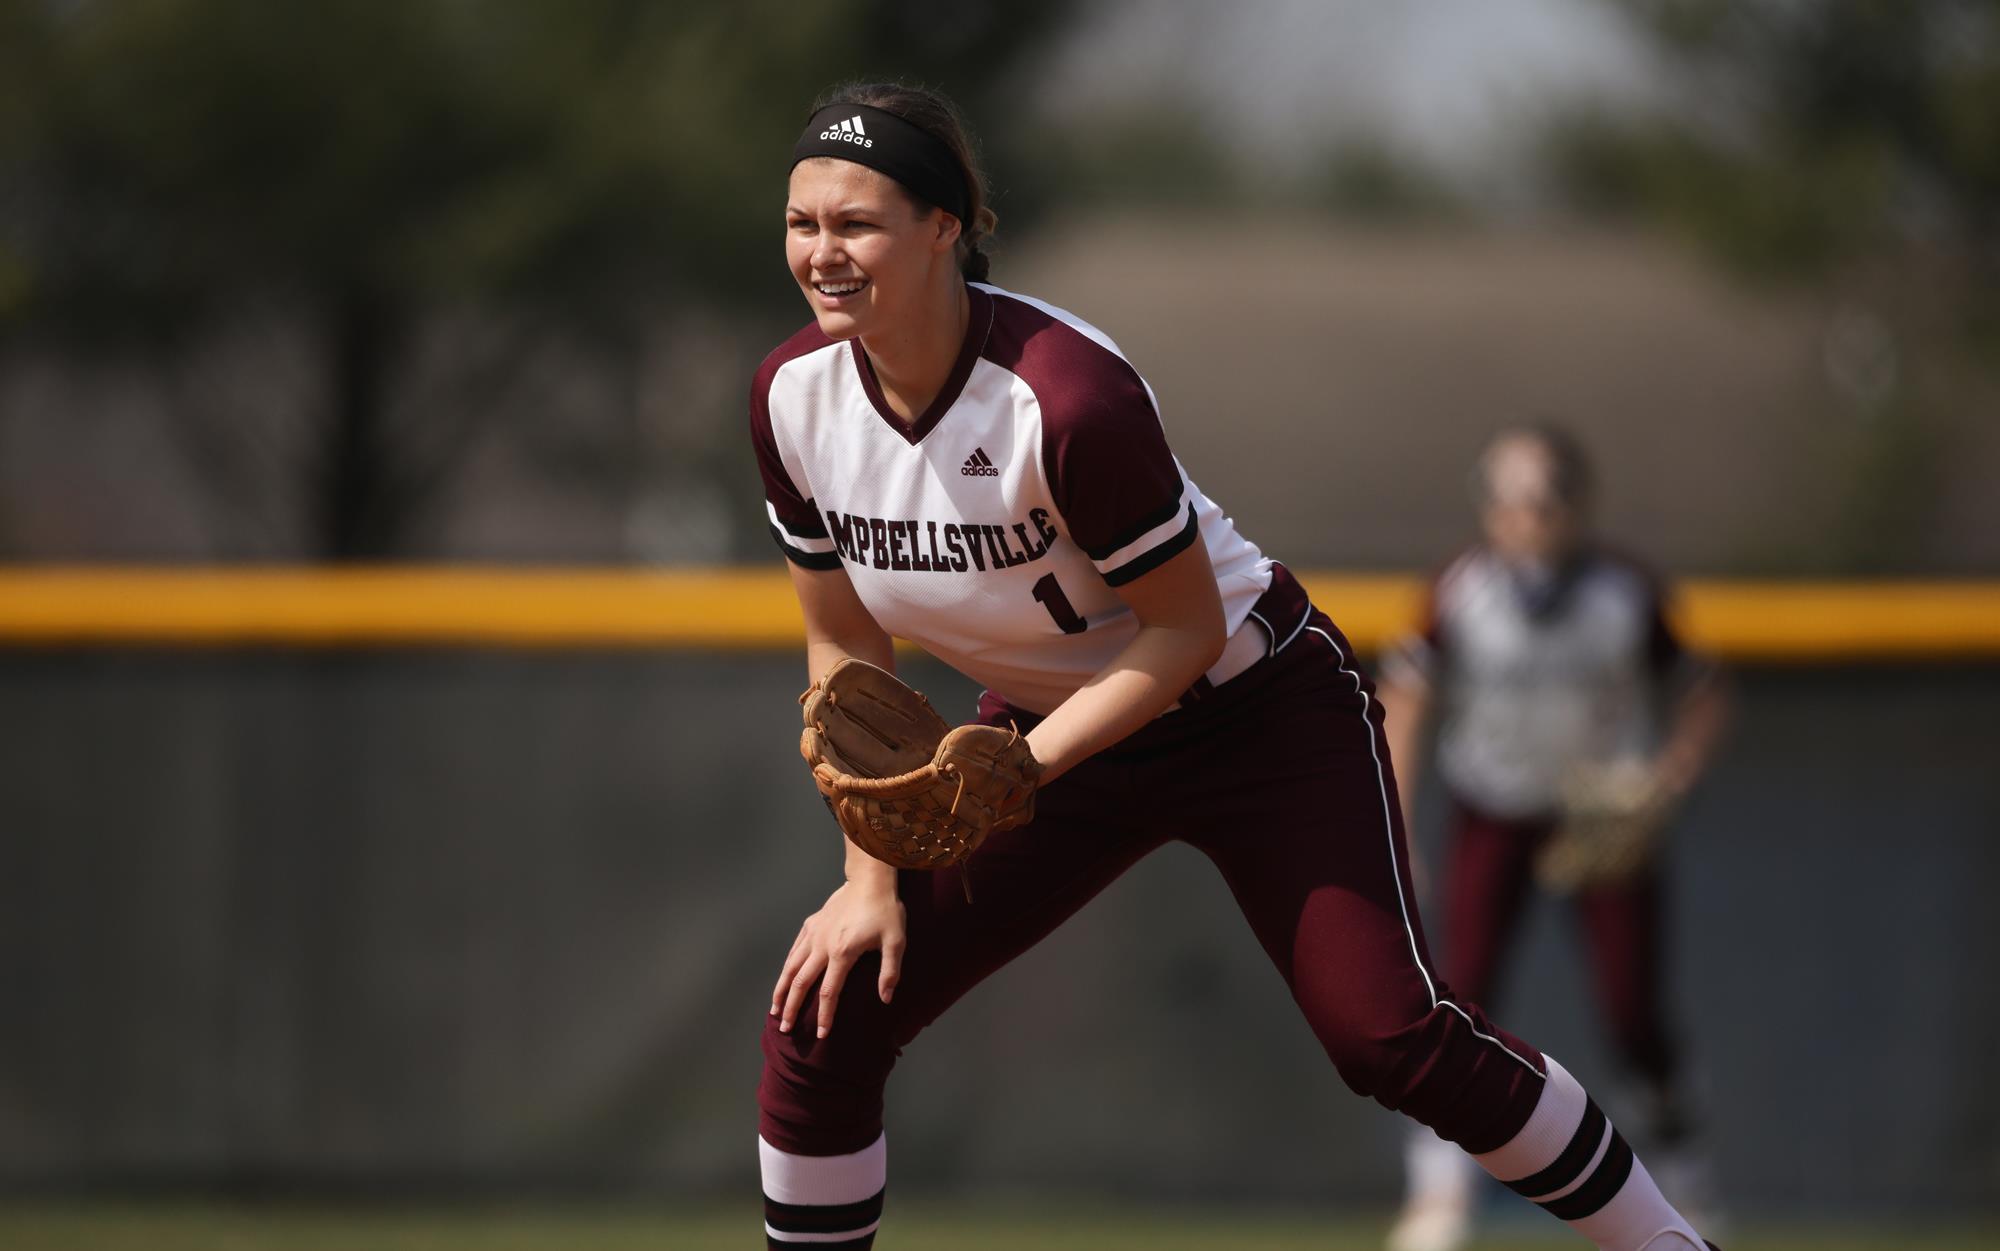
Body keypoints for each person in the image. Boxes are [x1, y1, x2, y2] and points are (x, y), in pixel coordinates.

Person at [752, 80, 1720, 1251]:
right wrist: (868, 881)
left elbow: (1182, 632)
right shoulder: (792, 399)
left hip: (1252, 713)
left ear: (944, 226)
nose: (821, 252)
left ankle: (1670, 1246)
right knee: (828, 1012)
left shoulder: (1065, 397)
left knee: (1388, 1038)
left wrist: (1018, 771)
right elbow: (846, 652)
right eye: (804, 223)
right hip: (1049, 732)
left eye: (854, 222)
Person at [1377, 427, 1732, 1251]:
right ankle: (1439, 1193)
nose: (1521, 519)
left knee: (1633, 1010)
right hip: (1493, 804)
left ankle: (1688, 1194)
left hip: (1597, 813)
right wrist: (1396, 821)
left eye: (1539, 501)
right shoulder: (1461, 590)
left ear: (1576, 505)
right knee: (1455, 1000)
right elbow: (1404, 697)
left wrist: (1668, 778)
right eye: (1504, 500)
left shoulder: (1624, 594)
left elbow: (1705, 692)